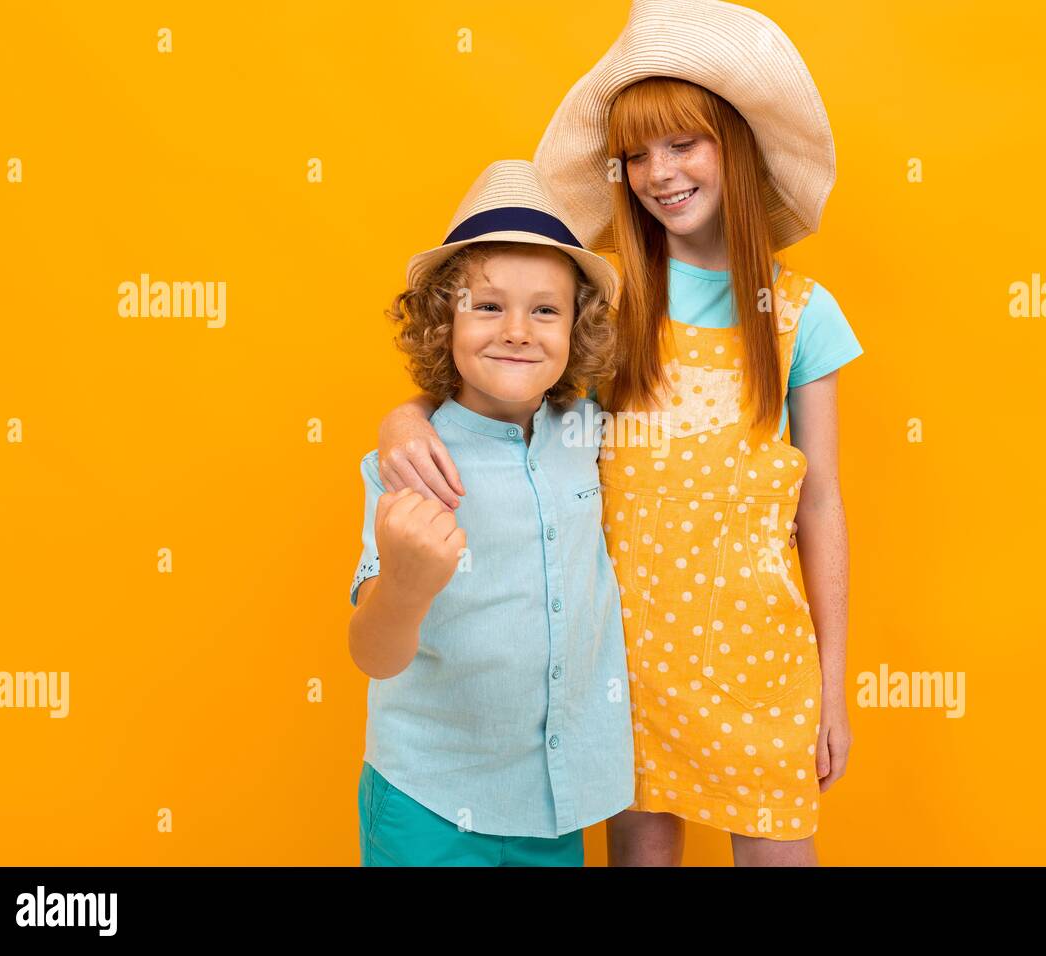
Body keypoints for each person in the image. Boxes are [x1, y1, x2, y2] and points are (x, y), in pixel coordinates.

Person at [374, 0, 862, 866]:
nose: (658, 173)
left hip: (761, 663)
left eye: (683, 144)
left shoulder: (800, 315)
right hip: (619, 669)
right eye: (636, 154)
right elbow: (497, 399)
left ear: (735, 147)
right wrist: (404, 415)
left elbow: (819, 505)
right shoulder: (607, 306)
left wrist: (832, 686)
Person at [348, 160, 634, 866]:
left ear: (577, 328)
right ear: (443, 321)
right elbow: (370, 653)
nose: (517, 330)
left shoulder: (587, 433)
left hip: (554, 804)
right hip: (428, 799)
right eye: (486, 306)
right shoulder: (411, 466)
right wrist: (407, 587)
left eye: (545, 309)